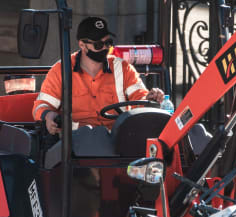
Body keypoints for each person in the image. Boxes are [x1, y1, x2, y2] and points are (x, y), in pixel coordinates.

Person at [32, 16, 165, 135]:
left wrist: (149, 98)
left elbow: (139, 98)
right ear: (82, 45)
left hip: (118, 140)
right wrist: (48, 115)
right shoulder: (61, 70)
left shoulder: (123, 68)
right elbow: (41, 106)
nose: (105, 48)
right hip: (74, 145)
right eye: (98, 45)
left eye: (108, 43)